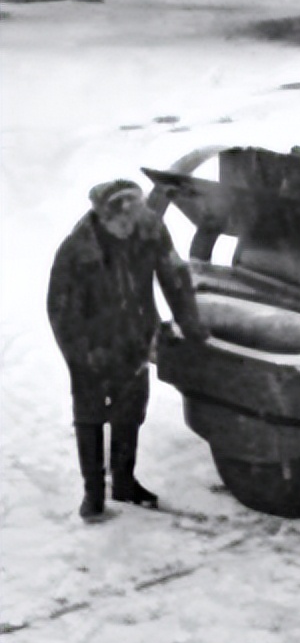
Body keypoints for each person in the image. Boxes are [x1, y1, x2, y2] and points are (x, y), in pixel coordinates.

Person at [47, 179, 209, 522]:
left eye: (131, 221)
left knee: (130, 412)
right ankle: (93, 494)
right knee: (90, 416)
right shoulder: (77, 249)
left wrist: (190, 326)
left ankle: (123, 481)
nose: (126, 228)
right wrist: (83, 356)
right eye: (119, 223)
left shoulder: (149, 229)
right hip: (91, 343)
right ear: (102, 219)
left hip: (136, 336)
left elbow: (174, 277)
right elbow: (61, 312)